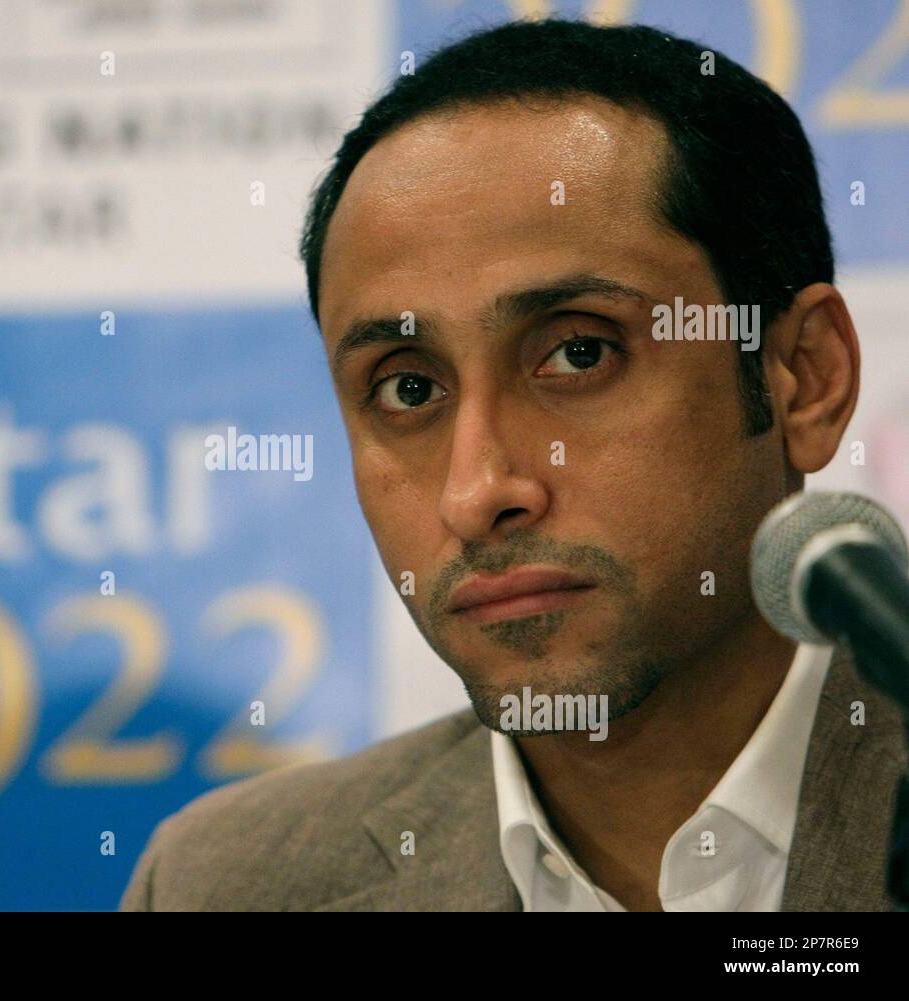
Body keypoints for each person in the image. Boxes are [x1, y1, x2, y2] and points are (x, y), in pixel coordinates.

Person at [120, 17, 905, 911]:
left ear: (806, 377)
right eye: (408, 390)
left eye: (578, 353)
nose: (477, 491)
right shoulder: (225, 887)